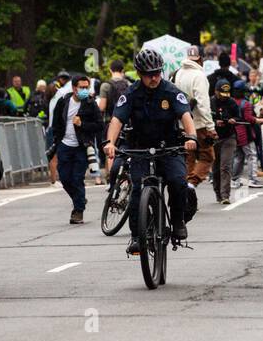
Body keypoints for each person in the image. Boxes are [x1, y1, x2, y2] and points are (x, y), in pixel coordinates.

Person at [103, 49, 198, 255]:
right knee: (137, 190)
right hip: (140, 148)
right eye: (148, 74)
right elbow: (117, 119)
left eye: (157, 72)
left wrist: (191, 137)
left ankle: (178, 221)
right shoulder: (130, 94)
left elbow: (186, 116)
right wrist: (110, 142)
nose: (154, 77)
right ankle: (137, 236)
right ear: (139, 73)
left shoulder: (172, 91)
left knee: (177, 182)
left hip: (169, 147)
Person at [51, 73, 102, 224]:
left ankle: (78, 211)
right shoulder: (63, 101)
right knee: (65, 178)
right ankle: (79, 198)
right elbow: (56, 123)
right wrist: (56, 140)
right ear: (74, 88)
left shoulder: (91, 104)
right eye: (82, 87)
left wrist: (82, 125)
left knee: (77, 178)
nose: (85, 90)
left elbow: (99, 125)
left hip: (82, 146)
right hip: (65, 145)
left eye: (87, 87)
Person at [174, 46, 217, 204]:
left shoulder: (179, 73)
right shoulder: (199, 75)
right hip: (198, 124)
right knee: (207, 156)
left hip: (181, 124)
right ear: (201, 58)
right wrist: (210, 127)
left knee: (188, 159)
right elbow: (203, 104)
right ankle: (191, 185)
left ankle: (184, 194)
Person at [210, 81, 242, 205]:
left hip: (229, 137)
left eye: (226, 94)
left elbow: (239, 117)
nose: (224, 96)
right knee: (216, 167)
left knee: (226, 166)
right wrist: (215, 122)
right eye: (221, 93)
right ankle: (217, 192)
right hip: (214, 137)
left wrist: (234, 120)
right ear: (216, 91)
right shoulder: (210, 102)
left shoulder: (232, 102)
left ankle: (225, 195)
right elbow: (205, 117)